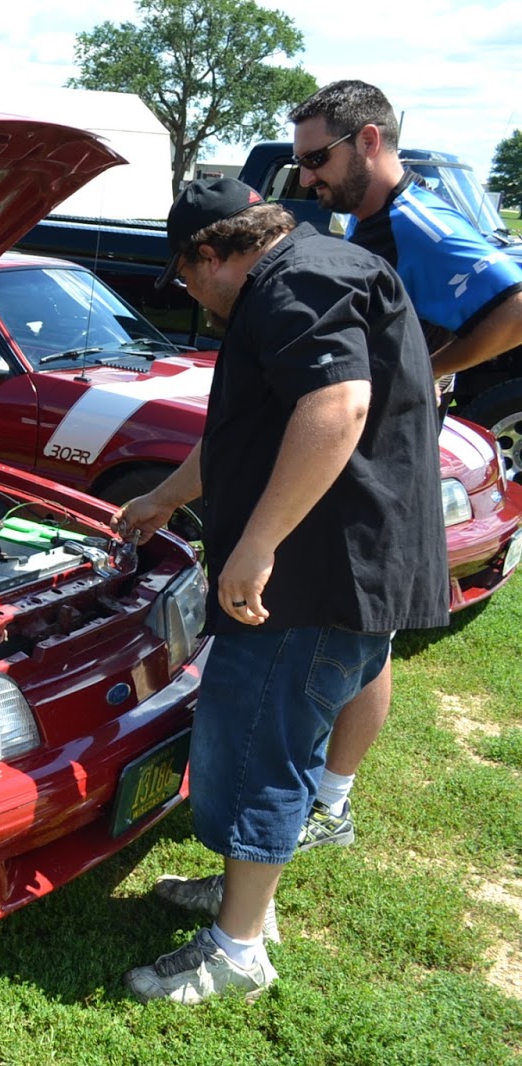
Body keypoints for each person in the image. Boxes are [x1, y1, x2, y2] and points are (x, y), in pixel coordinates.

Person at [113, 177, 449, 1003]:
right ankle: (242, 895)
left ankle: (236, 952)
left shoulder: (290, 283)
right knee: (280, 727)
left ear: (210, 253)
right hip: (355, 560)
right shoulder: (323, 261)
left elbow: (335, 405)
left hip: (311, 574)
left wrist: (256, 545)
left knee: (262, 741)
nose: (193, 296)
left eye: (187, 280)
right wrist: (166, 497)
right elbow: (251, 431)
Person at [278, 80, 522, 850]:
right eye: (301, 163)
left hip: (392, 459)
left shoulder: (417, 221)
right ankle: (321, 783)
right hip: (361, 449)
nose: (308, 177)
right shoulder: (367, 220)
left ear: (371, 140)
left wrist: (433, 363)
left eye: (317, 158)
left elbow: (515, 307)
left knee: (370, 630)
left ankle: (332, 803)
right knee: (352, 625)